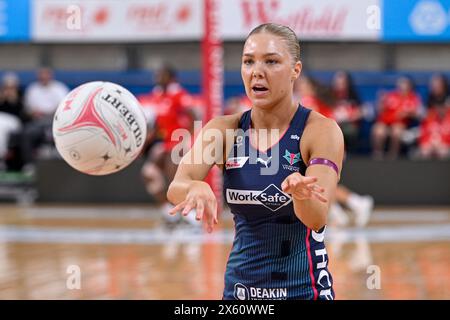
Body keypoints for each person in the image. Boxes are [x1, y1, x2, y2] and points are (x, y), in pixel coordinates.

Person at [167, 23, 344, 300]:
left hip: (303, 292)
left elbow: (317, 217)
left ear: (295, 71)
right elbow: (177, 185)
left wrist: (300, 194)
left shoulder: (320, 130)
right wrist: (193, 188)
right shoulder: (223, 130)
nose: (256, 71)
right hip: (239, 294)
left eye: (271, 61)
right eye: (248, 61)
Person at [294, 74, 373, 228]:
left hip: (324, 146)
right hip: (327, 144)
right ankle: (339, 212)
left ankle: (356, 203)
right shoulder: (316, 102)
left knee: (320, 182)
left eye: (302, 84)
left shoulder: (308, 102)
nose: (298, 86)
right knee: (317, 182)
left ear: (310, 87)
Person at [138, 65, 200, 228]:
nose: (157, 77)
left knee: (176, 180)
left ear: (171, 78)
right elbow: (157, 125)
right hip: (165, 143)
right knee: (148, 173)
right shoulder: (158, 95)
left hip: (178, 142)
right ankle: (168, 210)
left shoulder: (178, 94)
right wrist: (144, 144)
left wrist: (187, 139)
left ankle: (189, 215)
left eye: (161, 75)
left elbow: (195, 115)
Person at [21, 67, 69, 169]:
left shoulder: (59, 88)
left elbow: (64, 107)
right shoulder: (32, 89)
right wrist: (34, 113)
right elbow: (28, 109)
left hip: (55, 121)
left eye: (46, 74)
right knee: (26, 133)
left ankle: (63, 163)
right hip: (37, 122)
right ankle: (29, 164)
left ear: (50, 75)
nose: (43, 77)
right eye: (41, 74)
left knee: (58, 134)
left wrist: (50, 113)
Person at [371, 76, 423, 159]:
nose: (402, 85)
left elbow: (418, 113)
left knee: (396, 131)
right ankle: (378, 154)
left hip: (400, 123)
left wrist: (407, 113)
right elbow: (380, 110)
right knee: (378, 130)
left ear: (410, 86)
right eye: (400, 83)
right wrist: (380, 101)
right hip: (385, 122)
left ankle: (393, 155)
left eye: (404, 83)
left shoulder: (413, 97)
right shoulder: (391, 95)